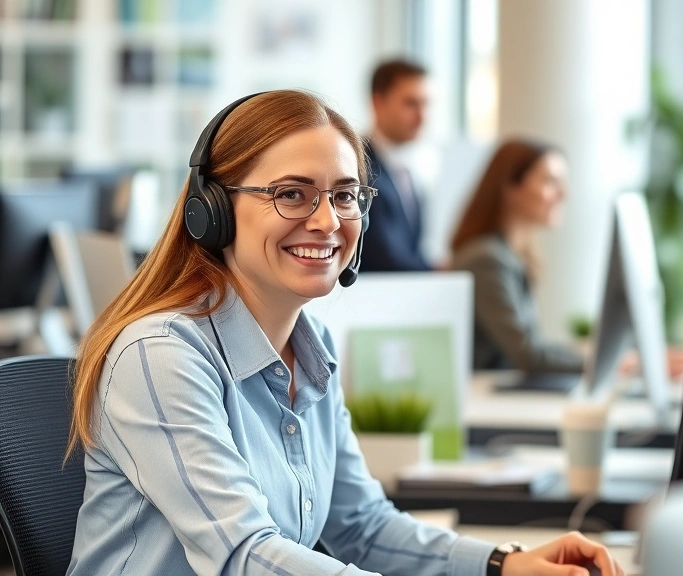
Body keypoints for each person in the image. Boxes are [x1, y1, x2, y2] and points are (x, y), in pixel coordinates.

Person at [65, 90, 623, 576]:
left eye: (345, 194)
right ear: (213, 210)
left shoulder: (312, 348)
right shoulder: (161, 355)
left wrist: (504, 564)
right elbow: (245, 556)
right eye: (291, 193)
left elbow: (362, 526)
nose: (328, 221)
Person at [450, 139, 585, 373]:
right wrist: (603, 365)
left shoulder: (514, 255)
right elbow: (528, 354)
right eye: (551, 181)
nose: (564, 194)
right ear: (510, 186)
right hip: (484, 399)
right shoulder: (486, 259)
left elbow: (534, 345)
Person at [360, 58, 434, 272]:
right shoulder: (357, 166)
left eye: (426, 104)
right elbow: (386, 258)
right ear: (378, 103)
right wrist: (439, 272)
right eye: (411, 104)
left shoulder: (411, 170)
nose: (422, 117)